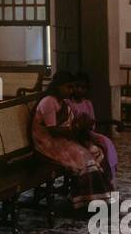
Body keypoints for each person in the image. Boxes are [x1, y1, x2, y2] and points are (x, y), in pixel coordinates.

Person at [31, 70, 112, 209]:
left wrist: (80, 125)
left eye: (72, 87)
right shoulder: (48, 102)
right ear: (58, 86)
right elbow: (53, 130)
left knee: (96, 151)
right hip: (48, 143)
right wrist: (76, 128)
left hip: (62, 140)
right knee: (86, 161)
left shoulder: (61, 102)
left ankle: (99, 199)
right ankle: (85, 203)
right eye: (68, 87)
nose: (71, 90)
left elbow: (69, 124)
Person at [65, 70, 117, 182]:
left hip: (88, 132)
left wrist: (88, 124)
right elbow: (69, 122)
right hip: (75, 135)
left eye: (83, 87)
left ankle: (107, 175)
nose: (79, 90)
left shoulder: (87, 103)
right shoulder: (68, 103)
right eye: (77, 86)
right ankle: (93, 175)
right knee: (92, 148)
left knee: (106, 142)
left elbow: (92, 122)